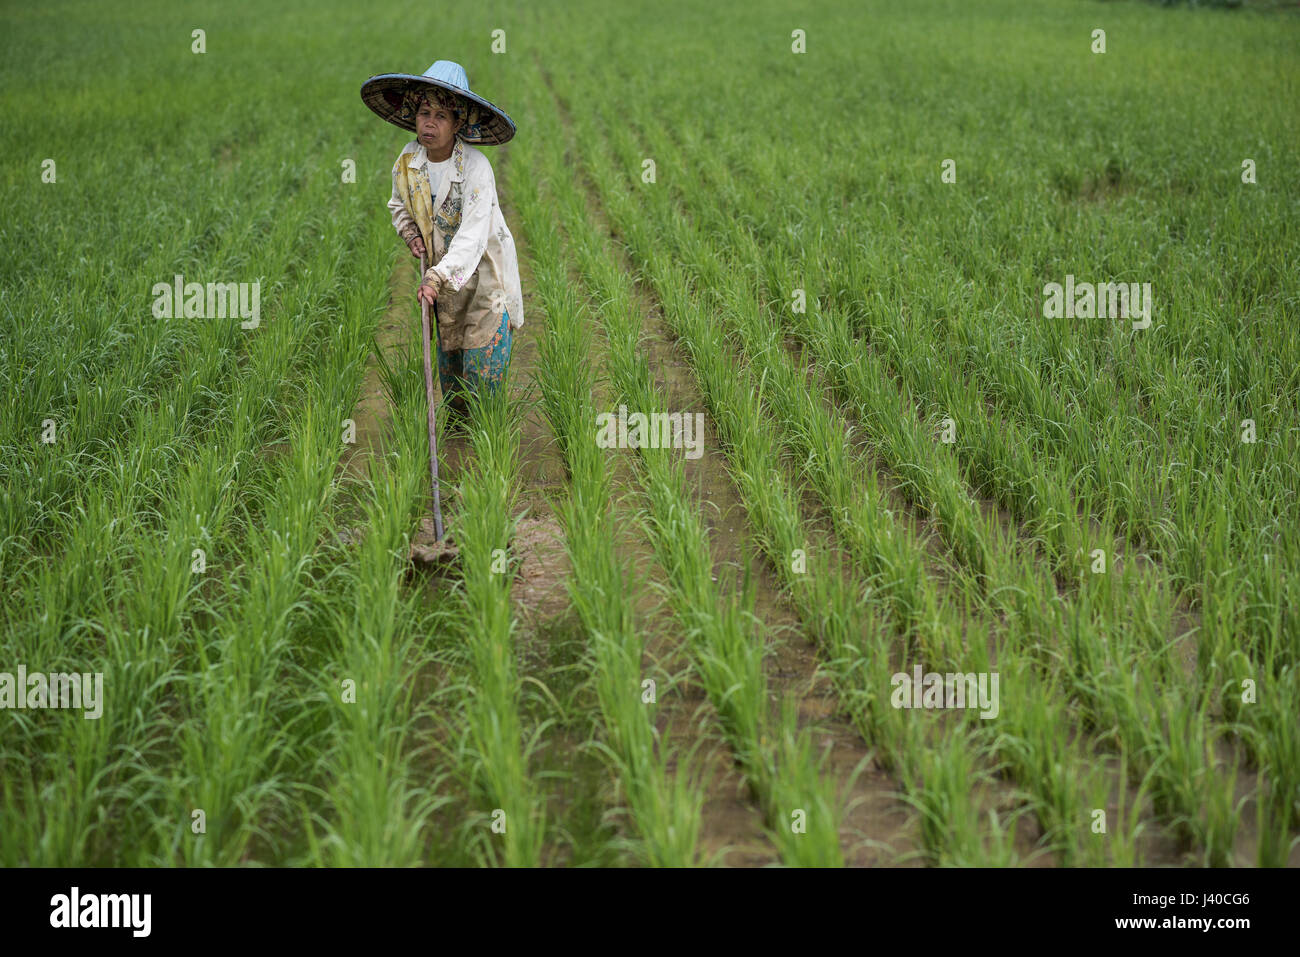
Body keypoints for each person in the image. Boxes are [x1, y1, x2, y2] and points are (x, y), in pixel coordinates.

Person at [361, 60, 523, 421]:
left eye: (440, 115)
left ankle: (488, 450)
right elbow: (397, 203)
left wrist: (435, 276)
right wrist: (409, 232)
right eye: (423, 112)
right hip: (445, 280)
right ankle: (458, 442)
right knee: (452, 369)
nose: (429, 122)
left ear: (458, 123)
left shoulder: (476, 167)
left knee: (482, 372)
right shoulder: (407, 161)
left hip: (486, 278)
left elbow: (472, 236)